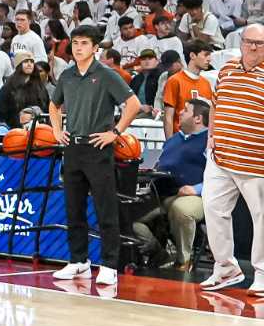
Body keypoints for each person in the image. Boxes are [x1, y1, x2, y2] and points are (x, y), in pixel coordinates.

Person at [49, 24, 143, 287]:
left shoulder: (106, 74)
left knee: (105, 208)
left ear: (95, 47)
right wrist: (57, 129)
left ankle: (110, 265)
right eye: (75, 43)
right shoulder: (67, 75)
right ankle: (79, 261)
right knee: (73, 207)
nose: (78, 48)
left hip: (98, 146)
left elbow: (133, 104)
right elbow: (53, 105)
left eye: (84, 43)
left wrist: (115, 132)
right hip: (73, 146)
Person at [200, 23, 264, 292]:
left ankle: (262, 273)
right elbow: (215, 105)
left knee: (261, 219)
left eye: (259, 44)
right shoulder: (226, 70)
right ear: (240, 42)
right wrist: (211, 137)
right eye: (248, 41)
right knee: (213, 208)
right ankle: (226, 268)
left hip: (256, 161)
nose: (252, 47)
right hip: (221, 157)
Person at [135, 99, 208, 270]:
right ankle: (160, 255)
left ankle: (184, 260)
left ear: (197, 118)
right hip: (161, 193)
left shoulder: (209, 141)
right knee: (128, 219)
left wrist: (196, 188)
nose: (180, 112)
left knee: (182, 209)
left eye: (186, 110)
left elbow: (220, 176)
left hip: (195, 194)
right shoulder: (173, 140)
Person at [161, 40, 217, 136]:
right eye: (205, 55)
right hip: (179, 139)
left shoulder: (206, 83)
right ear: (192, 55)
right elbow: (168, 116)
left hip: (200, 142)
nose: (209, 59)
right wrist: (170, 144)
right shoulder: (175, 80)